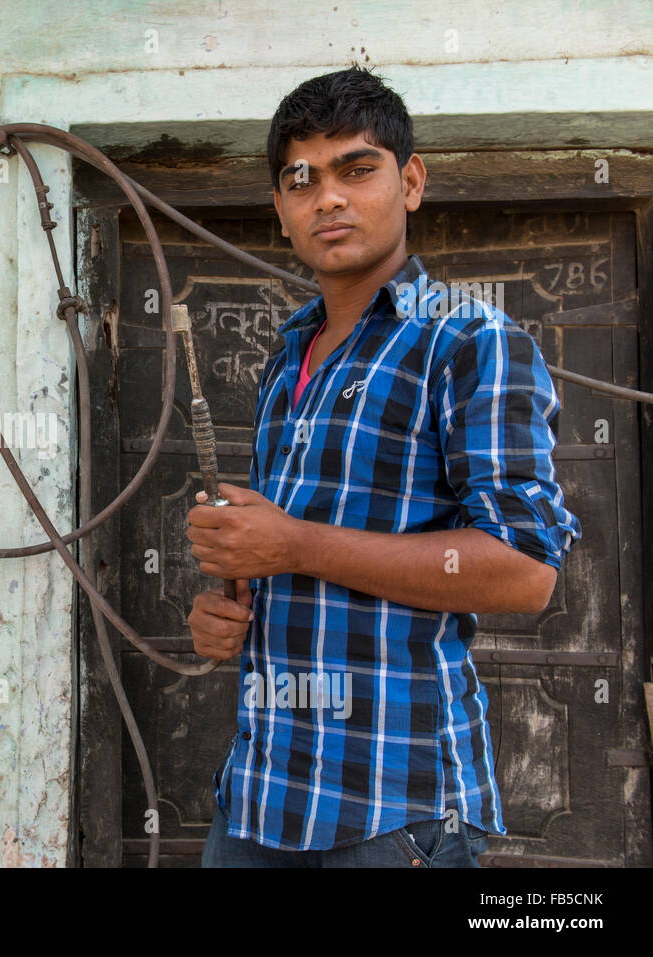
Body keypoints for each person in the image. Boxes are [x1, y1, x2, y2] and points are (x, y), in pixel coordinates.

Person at [186, 65, 581, 868]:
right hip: (261, 796)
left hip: (393, 811)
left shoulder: (468, 341)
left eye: (356, 170)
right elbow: (289, 558)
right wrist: (227, 609)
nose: (327, 198)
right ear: (281, 210)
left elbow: (525, 570)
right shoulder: (290, 353)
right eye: (303, 180)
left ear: (410, 182)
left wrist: (294, 544)